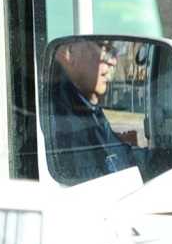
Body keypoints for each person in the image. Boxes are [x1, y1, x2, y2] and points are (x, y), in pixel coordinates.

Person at [42, 37, 146, 183]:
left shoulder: (86, 108)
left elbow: (117, 157)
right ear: (70, 53)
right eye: (104, 48)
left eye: (113, 51)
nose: (113, 62)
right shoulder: (60, 119)